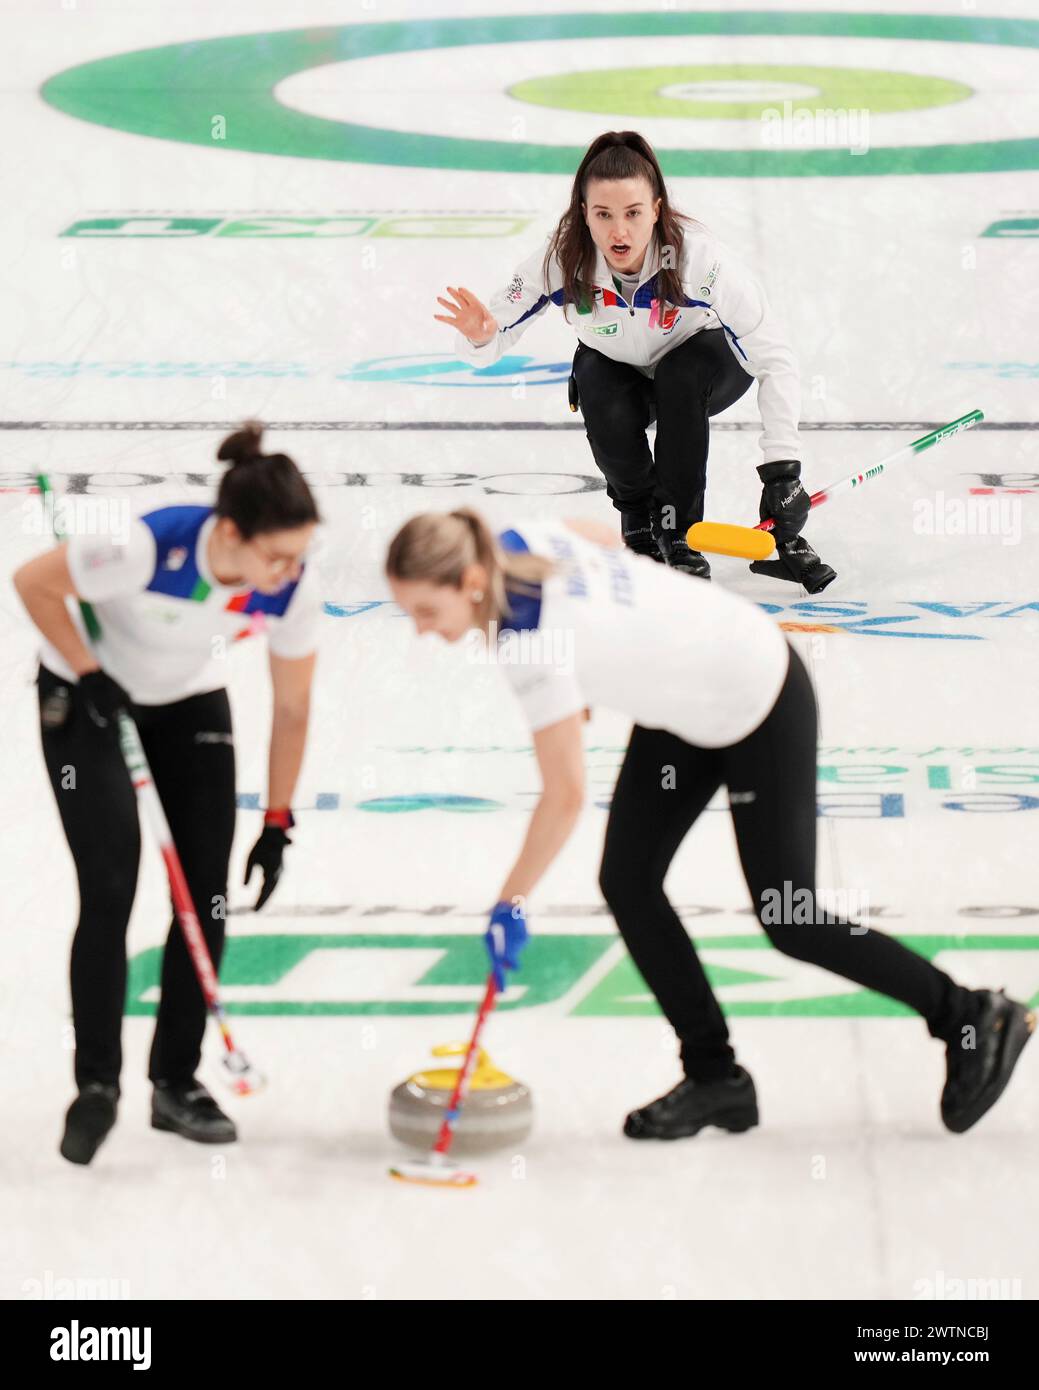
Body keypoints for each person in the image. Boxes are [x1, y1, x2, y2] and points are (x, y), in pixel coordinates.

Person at [385, 507, 1031, 1138]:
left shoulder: (528, 642)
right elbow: (599, 538)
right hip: (687, 705)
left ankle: (972, 1015)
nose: (420, 630)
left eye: (424, 612)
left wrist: (509, 901)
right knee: (629, 882)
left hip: (759, 693)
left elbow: (563, 796)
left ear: (469, 584)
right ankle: (715, 1078)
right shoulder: (513, 540)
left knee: (789, 915)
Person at [13, 423, 323, 1165]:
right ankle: (96, 1086)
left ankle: (174, 1082)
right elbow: (35, 582)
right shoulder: (152, 546)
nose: (286, 573)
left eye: (299, 556)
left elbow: (291, 708)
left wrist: (278, 819)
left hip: (186, 703)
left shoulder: (289, 592)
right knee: (112, 882)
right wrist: (88, 674)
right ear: (230, 532)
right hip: (86, 698)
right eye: (275, 555)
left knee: (204, 895)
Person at [435, 129, 834, 591]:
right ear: (584, 214)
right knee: (593, 376)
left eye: (633, 213)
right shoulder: (563, 258)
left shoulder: (698, 260)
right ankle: (641, 522)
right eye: (603, 214)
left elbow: (774, 357)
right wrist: (482, 337)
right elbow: (489, 336)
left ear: (657, 210)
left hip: (704, 371)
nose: (618, 231)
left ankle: (681, 534)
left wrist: (783, 473)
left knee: (680, 374)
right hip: (621, 375)